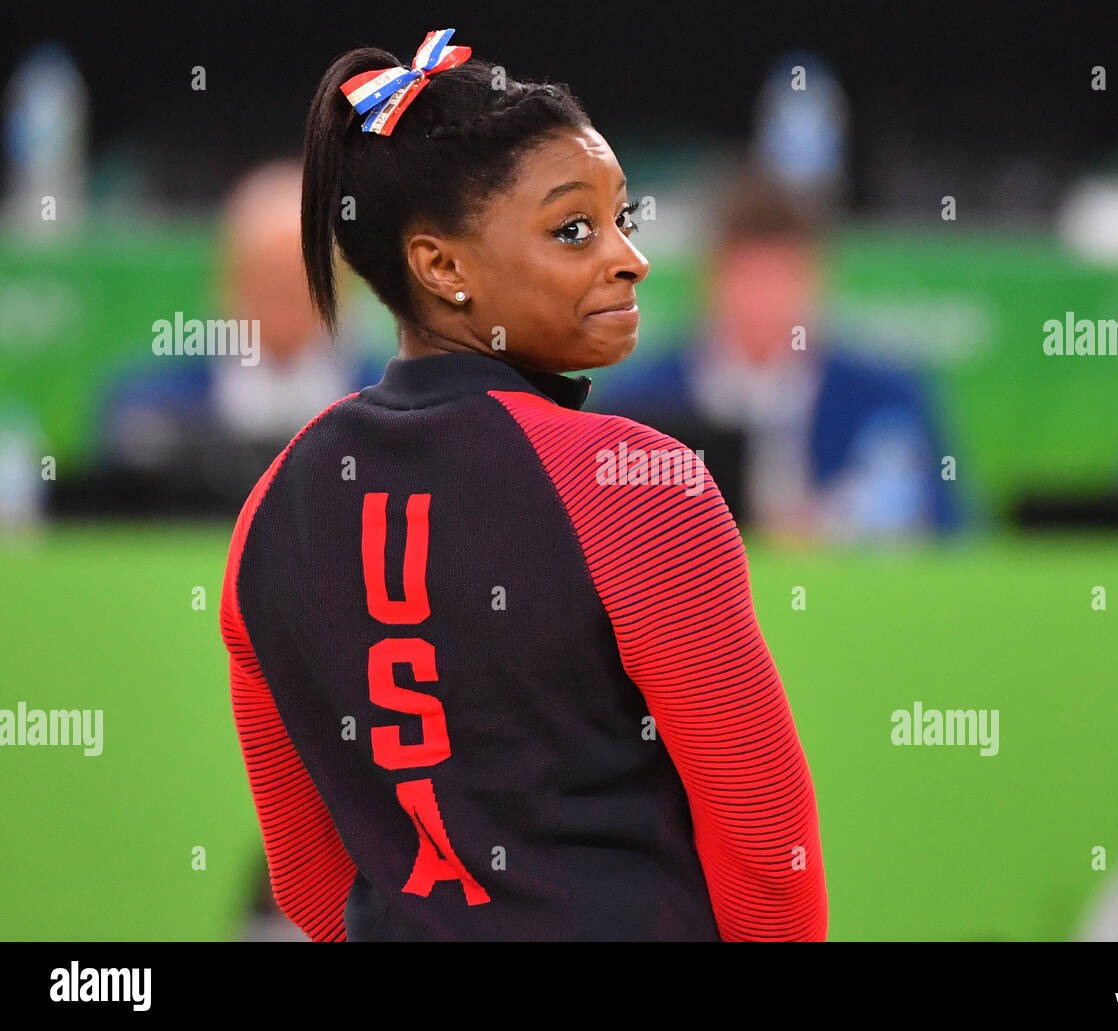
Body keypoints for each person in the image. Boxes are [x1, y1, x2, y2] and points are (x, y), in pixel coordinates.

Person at [219, 30, 828, 942]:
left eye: (624, 219)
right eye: (573, 229)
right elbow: (770, 859)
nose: (630, 258)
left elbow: (310, 885)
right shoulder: (638, 484)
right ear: (442, 266)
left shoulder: (271, 508)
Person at [591, 166, 958, 544]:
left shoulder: (888, 397)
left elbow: (946, 531)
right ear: (709, 281)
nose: (764, 302)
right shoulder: (634, 403)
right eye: (747, 278)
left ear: (817, 280)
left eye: (781, 278)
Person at [91, 159, 385, 514]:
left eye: (304, 280)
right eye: (267, 278)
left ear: (345, 287)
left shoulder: (396, 407)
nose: (285, 298)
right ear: (227, 282)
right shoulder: (149, 403)